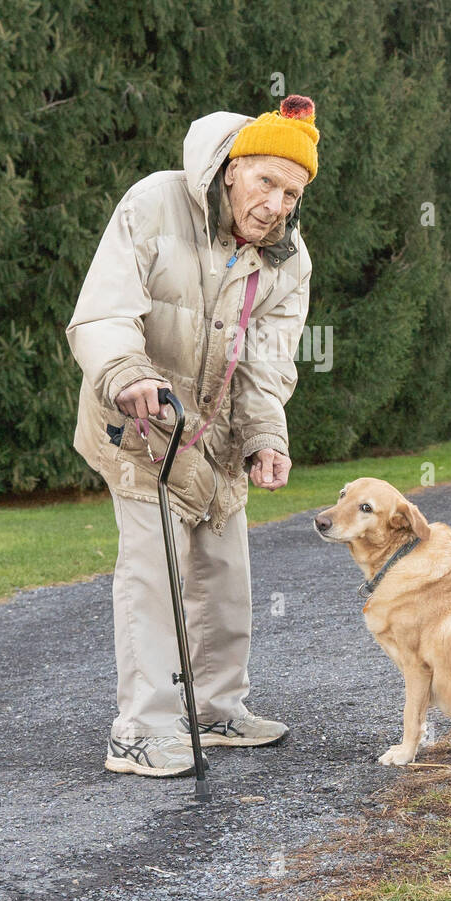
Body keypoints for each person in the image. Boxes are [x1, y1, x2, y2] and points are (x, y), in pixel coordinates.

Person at [65, 95, 318, 776]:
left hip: (214, 434)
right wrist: (125, 373)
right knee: (155, 572)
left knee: (226, 574)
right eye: (267, 181)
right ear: (233, 169)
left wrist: (267, 437)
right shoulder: (155, 203)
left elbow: (268, 364)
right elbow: (105, 307)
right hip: (139, 419)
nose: (277, 204)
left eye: (292, 192)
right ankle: (140, 731)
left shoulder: (287, 262)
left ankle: (214, 708)